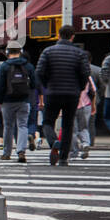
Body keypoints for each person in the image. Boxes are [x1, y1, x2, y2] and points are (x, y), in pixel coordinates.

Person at [34, 24, 89, 166]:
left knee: (47, 121)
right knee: (68, 125)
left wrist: (47, 85)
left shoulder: (48, 52)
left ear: (58, 35)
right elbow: (84, 73)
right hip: (72, 93)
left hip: (53, 92)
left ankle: (53, 142)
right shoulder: (79, 53)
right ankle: (64, 158)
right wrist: (80, 87)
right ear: (72, 37)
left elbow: (39, 72)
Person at [0, 43, 37, 162]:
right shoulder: (28, 66)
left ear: (7, 52)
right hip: (24, 100)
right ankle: (21, 151)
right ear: (20, 51)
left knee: (8, 126)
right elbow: (34, 84)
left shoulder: (4, 67)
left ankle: (6, 153)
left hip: (7, 101)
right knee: (22, 125)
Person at [70, 72, 97, 161]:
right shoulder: (86, 76)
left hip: (71, 105)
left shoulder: (68, 75)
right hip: (85, 104)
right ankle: (85, 144)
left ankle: (74, 151)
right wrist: (93, 106)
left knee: (72, 130)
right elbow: (93, 91)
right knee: (84, 127)